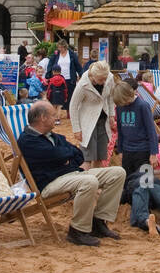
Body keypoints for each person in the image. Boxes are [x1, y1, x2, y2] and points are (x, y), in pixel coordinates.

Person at [18, 100, 126, 246]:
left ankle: (98, 222)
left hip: (71, 175)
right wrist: (65, 157)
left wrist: (67, 158)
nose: (57, 118)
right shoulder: (28, 140)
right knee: (89, 182)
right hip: (49, 184)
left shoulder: (52, 136)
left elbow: (77, 154)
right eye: (53, 115)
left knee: (117, 173)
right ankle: (77, 231)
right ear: (43, 118)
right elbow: (58, 154)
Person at [111, 80, 160, 234]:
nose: (122, 105)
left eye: (124, 102)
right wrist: (120, 151)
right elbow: (120, 129)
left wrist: (153, 153)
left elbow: (152, 132)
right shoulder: (120, 107)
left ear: (129, 95)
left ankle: (144, 219)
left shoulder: (142, 106)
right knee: (137, 186)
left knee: (141, 185)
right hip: (128, 152)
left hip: (143, 152)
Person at [69, 61, 116, 165]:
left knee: (100, 157)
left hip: (103, 121)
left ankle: (98, 179)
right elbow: (73, 106)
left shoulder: (110, 77)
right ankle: (87, 180)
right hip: (88, 123)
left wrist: (112, 114)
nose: (104, 81)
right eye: (101, 79)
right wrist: (76, 129)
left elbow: (111, 97)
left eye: (105, 78)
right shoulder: (83, 84)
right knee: (87, 158)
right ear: (93, 76)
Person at [52, 40, 82, 112]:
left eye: (61, 47)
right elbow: (51, 64)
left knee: (70, 95)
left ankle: (69, 111)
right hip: (59, 79)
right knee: (60, 96)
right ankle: (61, 111)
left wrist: (81, 74)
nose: (60, 49)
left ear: (65, 47)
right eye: (59, 47)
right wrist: (49, 76)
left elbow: (77, 65)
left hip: (70, 78)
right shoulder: (56, 54)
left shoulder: (72, 54)